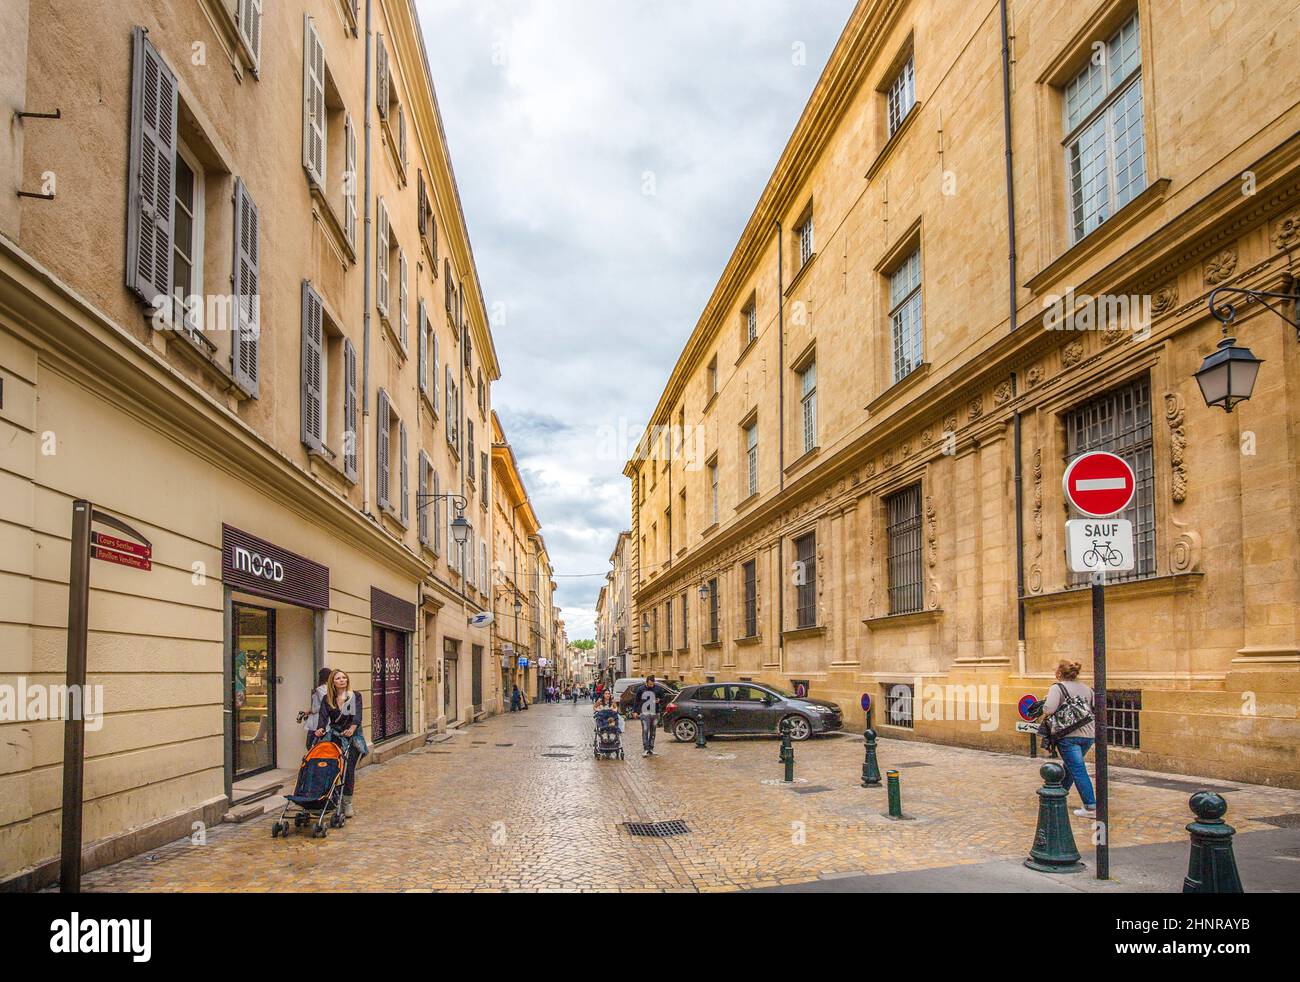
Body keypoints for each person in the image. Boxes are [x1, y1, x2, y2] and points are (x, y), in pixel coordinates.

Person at [1042, 659, 1097, 818]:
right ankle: (1060, 794)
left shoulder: (1057, 688)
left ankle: (1091, 806)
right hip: (1088, 735)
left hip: (1068, 735)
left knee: (1077, 769)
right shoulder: (1087, 689)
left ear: (1059, 673)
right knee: (1072, 766)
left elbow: (1049, 709)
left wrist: (1046, 702)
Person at [314, 669, 367, 818]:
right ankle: (330, 798)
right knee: (330, 767)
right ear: (333, 682)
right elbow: (323, 717)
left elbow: (357, 716)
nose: (342, 680)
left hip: (352, 737)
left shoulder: (354, 696)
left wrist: (351, 729)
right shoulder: (327, 698)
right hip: (336, 735)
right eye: (338, 678)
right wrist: (320, 729)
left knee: (347, 770)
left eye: (344, 678)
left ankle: (347, 803)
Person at [629, 674, 674, 757]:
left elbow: (664, 698)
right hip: (644, 713)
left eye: (652, 684)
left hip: (655, 712)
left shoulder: (658, 689)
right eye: (650, 684)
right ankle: (646, 749)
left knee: (653, 731)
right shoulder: (641, 689)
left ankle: (651, 749)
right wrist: (635, 711)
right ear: (646, 682)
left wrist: (659, 700)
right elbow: (637, 701)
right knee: (645, 730)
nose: (651, 685)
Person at [303, 666, 331, 749]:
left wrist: (312, 710)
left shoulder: (320, 689)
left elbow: (325, 704)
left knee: (311, 744)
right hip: (325, 720)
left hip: (317, 720)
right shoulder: (330, 689)